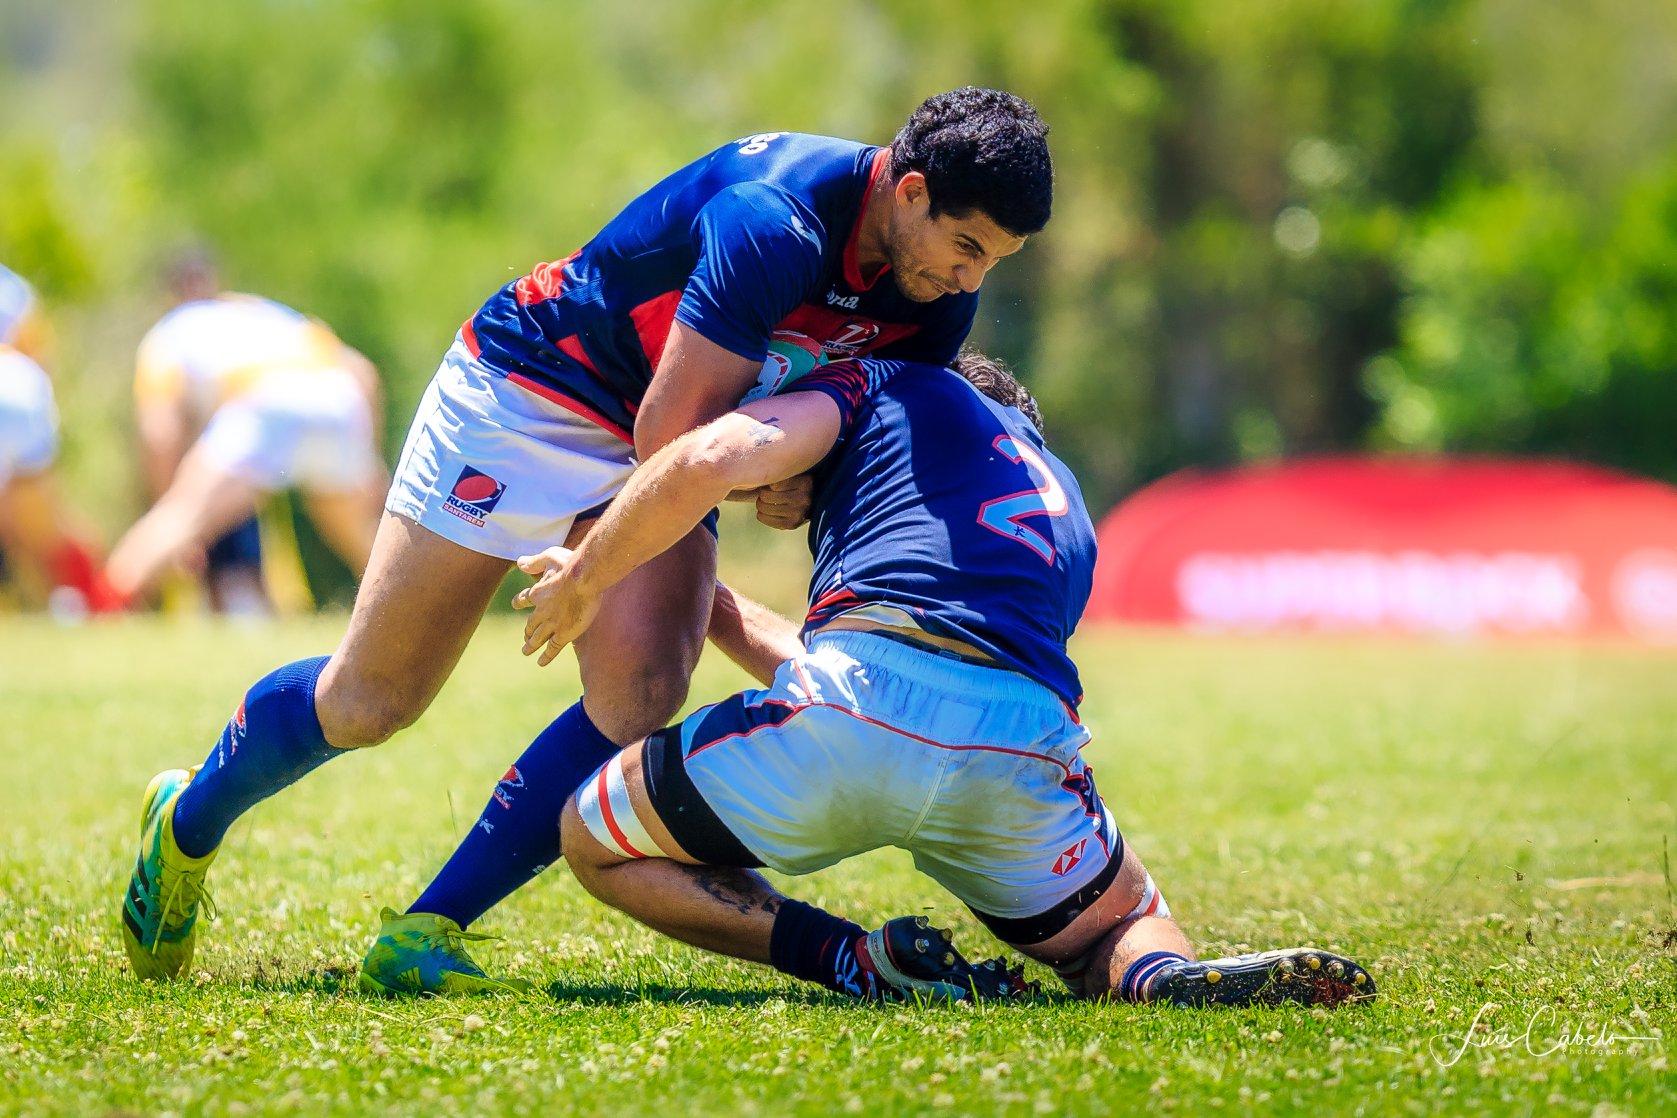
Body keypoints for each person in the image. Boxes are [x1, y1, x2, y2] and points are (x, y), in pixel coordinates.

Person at [120, 87, 1055, 986]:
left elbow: (851, 425)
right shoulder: (777, 220)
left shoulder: (935, 296)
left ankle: (424, 932)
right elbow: (668, 432)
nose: (969, 278)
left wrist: (802, 480)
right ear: (910, 189)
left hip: (670, 437)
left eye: (992, 262)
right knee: (372, 701)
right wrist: (771, 474)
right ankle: (187, 820)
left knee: (643, 686)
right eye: (964, 245)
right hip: (527, 393)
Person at [507, 351, 1377, 1007]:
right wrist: (720, 602)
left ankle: (850, 962)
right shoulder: (1060, 493)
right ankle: (1159, 977)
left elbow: (738, 456)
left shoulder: (898, 384)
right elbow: (932, 674)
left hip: (857, 710)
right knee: (1118, 919)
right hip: (1016, 748)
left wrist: (617, 561)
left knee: (593, 837)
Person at [104, 256, 387, 611]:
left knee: (180, 518)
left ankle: (103, 607)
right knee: (361, 536)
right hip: (337, 400)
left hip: (265, 401)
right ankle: (412, 614)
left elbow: (159, 431)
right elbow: (363, 372)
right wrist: (369, 459)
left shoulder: (170, 332)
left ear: (169, 295)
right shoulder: (259, 310)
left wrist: (169, 501)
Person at [0, 265, 122, 616]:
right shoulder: (13, 283)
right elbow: (38, 353)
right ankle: (93, 599)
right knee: (45, 520)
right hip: (19, 384)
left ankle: (83, 600)